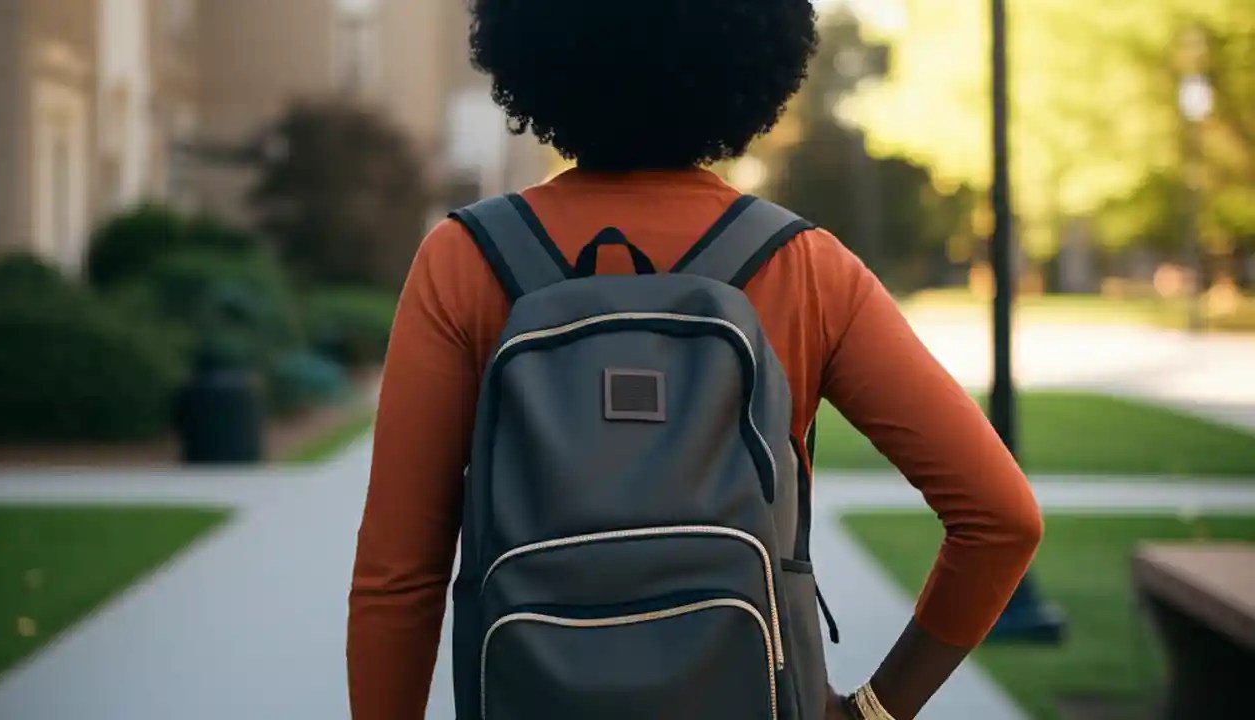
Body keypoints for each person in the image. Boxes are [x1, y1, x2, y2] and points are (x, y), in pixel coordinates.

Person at [348, 1, 1043, 718]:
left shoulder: (464, 262)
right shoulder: (806, 268)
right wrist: (875, 710)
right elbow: (1001, 520)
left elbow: (397, 579)